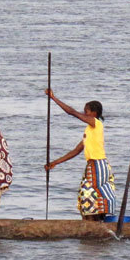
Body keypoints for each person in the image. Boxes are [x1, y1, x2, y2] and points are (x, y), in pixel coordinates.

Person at [44, 89, 117, 221]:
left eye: (86, 111)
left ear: (94, 113)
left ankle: (97, 222)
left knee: (89, 194)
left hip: (98, 164)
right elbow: (76, 151)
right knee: (86, 195)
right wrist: (55, 162)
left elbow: (72, 112)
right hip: (92, 165)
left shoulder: (97, 124)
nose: (84, 114)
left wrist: (54, 98)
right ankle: (93, 223)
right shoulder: (89, 131)